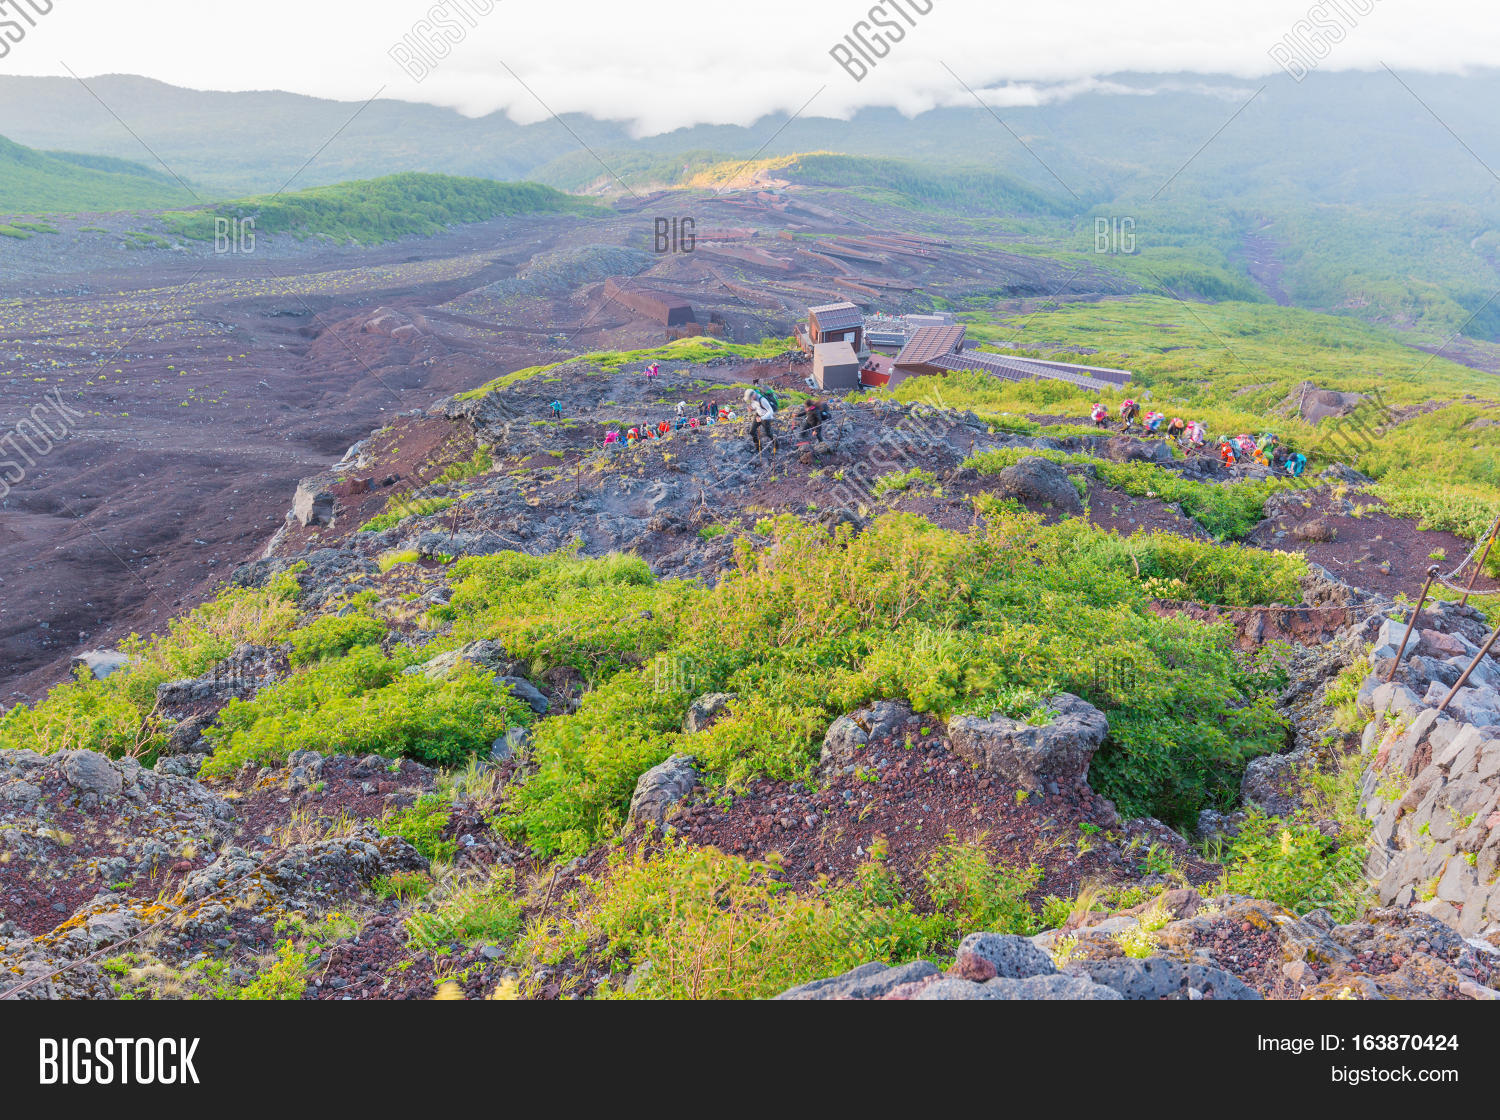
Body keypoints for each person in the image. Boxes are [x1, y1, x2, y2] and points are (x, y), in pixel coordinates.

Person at [744, 387, 776, 453]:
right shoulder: (753, 400)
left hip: (766, 417)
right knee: (752, 431)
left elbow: (771, 411)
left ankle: (776, 446)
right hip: (758, 415)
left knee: (768, 434)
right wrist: (751, 408)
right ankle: (758, 448)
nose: (750, 400)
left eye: (750, 398)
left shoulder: (763, 400)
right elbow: (756, 407)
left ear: (753, 395)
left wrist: (762, 418)